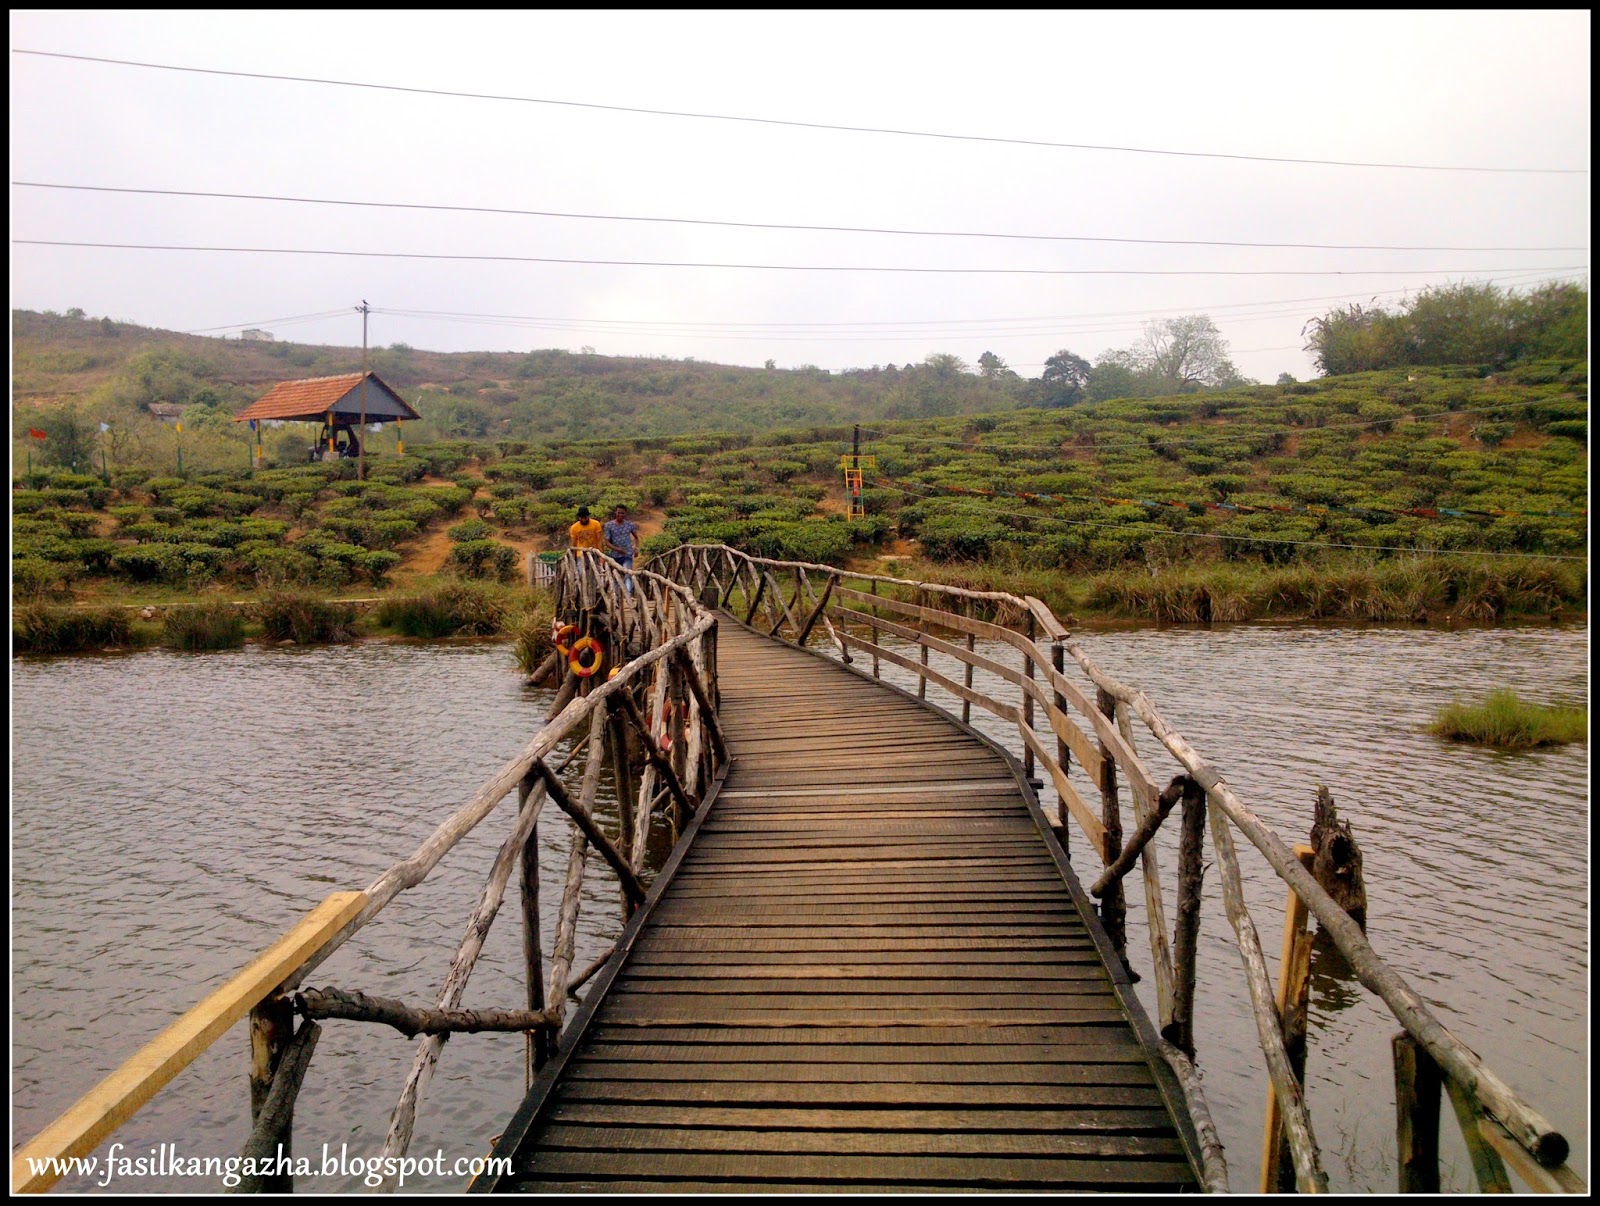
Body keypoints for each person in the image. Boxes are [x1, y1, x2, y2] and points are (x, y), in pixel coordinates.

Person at [602, 504, 639, 594]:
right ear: (615, 512)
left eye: (623, 513)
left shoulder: (629, 525)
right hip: (615, 555)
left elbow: (636, 538)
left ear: (625, 514)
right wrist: (617, 549)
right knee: (615, 575)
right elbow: (607, 542)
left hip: (627, 554)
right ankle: (616, 596)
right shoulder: (609, 526)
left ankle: (628, 595)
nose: (620, 515)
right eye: (619, 513)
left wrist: (636, 548)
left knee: (627, 573)